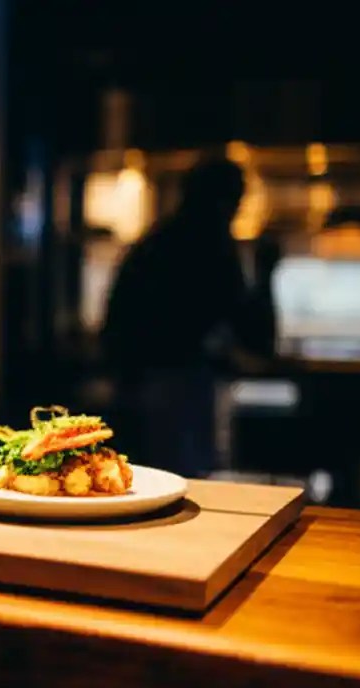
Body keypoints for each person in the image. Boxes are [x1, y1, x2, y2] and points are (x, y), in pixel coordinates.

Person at [101, 158, 278, 477]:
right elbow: (244, 321)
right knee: (181, 479)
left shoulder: (158, 239)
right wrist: (267, 273)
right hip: (175, 379)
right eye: (236, 198)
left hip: (149, 378)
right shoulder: (208, 242)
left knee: (159, 475)